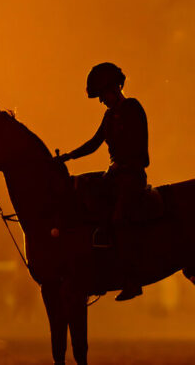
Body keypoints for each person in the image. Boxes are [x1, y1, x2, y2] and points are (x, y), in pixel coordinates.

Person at [57, 62, 148, 301]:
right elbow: (94, 143)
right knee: (84, 195)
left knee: (118, 218)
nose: (101, 101)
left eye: (103, 95)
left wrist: (120, 166)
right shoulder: (109, 116)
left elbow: (138, 147)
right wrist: (68, 156)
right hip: (116, 175)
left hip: (131, 176)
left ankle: (132, 279)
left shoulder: (132, 108)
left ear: (114, 89)